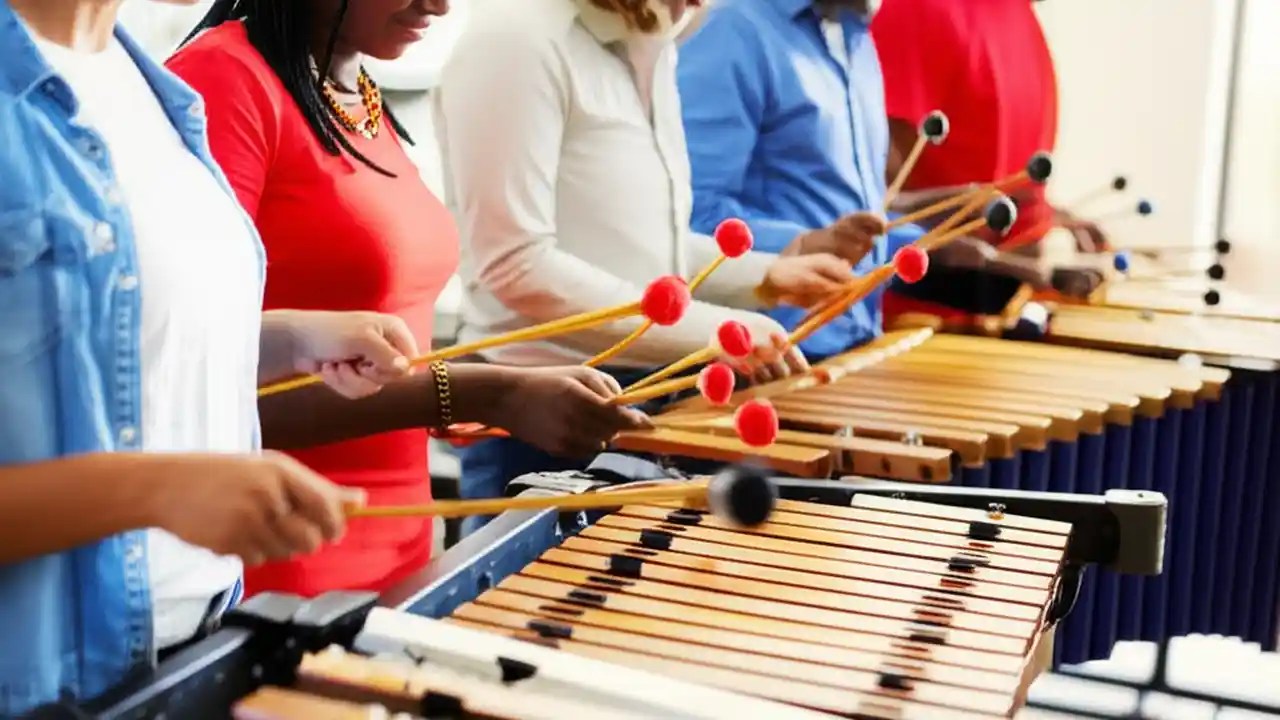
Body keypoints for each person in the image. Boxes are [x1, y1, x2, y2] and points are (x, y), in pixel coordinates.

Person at [0, 0, 435, 711]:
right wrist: (155, 491)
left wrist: (286, 340)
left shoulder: (143, 80)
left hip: (194, 648)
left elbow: (106, 348)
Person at [166, 0, 648, 598]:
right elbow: (202, 392)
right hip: (284, 568)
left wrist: (503, 391)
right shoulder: (221, 80)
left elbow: (389, 339)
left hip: (401, 549)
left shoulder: (357, 86)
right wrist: (487, 392)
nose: (440, 5)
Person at [434, 0, 887, 533]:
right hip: (541, 422)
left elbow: (644, 248)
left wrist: (764, 277)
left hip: (652, 401)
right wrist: (721, 330)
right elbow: (515, 266)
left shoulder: (654, 39)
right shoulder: (514, 38)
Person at [676, 0, 930, 361]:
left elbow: (844, 216)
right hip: (767, 358)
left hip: (853, 344)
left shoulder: (856, 36)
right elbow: (689, 215)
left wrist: (924, 244)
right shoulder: (730, 33)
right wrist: (800, 244)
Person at [870, 0, 1105, 322]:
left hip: (995, 317)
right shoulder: (918, 10)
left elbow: (1008, 189)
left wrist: (1045, 217)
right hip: (919, 327)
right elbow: (868, 210)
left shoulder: (1018, 13)